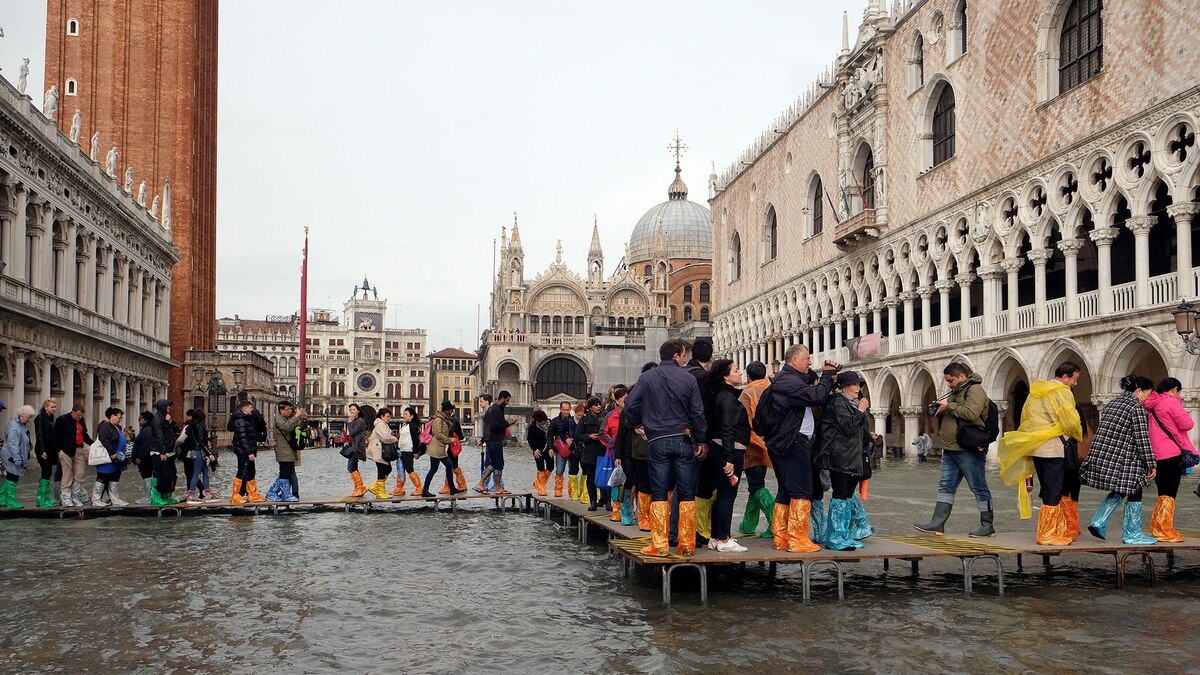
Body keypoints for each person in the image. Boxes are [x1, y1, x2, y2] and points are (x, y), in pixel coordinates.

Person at [624, 339, 708, 557]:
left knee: (659, 492)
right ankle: (686, 543)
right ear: (676, 356)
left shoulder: (647, 377)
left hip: (657, 440)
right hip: (683, 439)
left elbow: (630, 405)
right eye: (683, 355)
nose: (684, 359)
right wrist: (700, 440)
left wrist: (639, 424)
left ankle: (660, 544)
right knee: (687, 492)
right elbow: (698, 412)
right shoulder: (688, 378)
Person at [996, 362, 1083, 546]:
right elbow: (1071, 421)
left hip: (1037, 447)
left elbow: (1026, 418)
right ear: (1065, 377)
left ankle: (1054, 528)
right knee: (1055, 489)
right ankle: (1047, 534)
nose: (1075, 384)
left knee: (1047, 487)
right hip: (1053, 448)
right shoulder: (1063, 392)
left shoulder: (1036, 392)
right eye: (1074, 379)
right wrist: (1077, 435)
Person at [761, 344, 836, 553]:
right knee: (802, 490)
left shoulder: (786, 379)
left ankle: (781, 537)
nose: (810, 362)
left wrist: (828, 379)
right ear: (794, 360)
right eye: (807, 358)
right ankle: (798, 540)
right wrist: (827, 375)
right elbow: (816, 396)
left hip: (785, 442)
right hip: (792, 442)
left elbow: (812, 391)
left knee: (786, 489)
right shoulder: (788, 381)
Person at [915, 362, 995, 538]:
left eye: (950, 380)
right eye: (947, 381)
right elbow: (956, 413)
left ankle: (987, 525)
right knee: (946, 486)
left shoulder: (975, 390)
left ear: (961, 376)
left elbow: (971, 413)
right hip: (950, 449)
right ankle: (937, 523)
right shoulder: (955, 392)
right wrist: (941, 409)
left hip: (968, 449)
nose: (949, 384)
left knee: (978, 487)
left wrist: (948, 407)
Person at [1080, 375, 1158, 544]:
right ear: (1139, 391)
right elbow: (1142, 439)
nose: (1147, 399)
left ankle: (1099, 521)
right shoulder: (1136, 409)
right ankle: (1132, 534)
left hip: (1108, 455)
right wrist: (1151, 463)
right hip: (1126, 458)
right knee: (1135, 490)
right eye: (1147, 394)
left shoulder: (1112, 404)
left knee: (1124, 488)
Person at [816, 371, 875, 551]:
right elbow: (848, 426)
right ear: (843, 387)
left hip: (852, 457)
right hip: (838, 457)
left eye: (859, 385)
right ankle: (835, 538)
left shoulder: (852, 403)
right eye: (854, 384)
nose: (858, 388)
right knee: (840, 495)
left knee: (847, 495)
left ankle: (844, 535)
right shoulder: (837, 402)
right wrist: (860, 411)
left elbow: (858, 431)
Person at [703, 359, 749, 553]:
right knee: (727, 494)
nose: (740, 373)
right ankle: (723, 538)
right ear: (726, 376)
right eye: (736, 370)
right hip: (729, 449)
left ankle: (716, 536)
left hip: (720, 448)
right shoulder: (728, 398)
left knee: (722, 493)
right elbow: (727, 428)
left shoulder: (720, 395)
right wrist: (729, 458)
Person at [1144, 377, 1193, 542]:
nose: (1179, 396)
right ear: (1174, 390)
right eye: (1178, 392)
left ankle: (1157, 527)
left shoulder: (1151, 404)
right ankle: (1165, 531)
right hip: (1171, 453)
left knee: (1162, 492)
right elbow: (1188, 424)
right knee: (1170, 493)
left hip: (1155, 454)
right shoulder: (1171, 403)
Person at [737, 361, 775, 539]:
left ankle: (776, 521)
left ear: (748, 376)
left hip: (753, 444)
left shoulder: (747, 393)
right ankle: (748, 524)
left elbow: (742, 421)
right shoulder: (771, 388)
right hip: (770, 442)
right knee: (757, 483)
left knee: (756, 485)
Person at [683, 340, 714, 545]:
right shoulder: (703, 377)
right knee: (700, 484)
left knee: (682, 484)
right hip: (697, 437)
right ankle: (697, 530)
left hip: (677, 434)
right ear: (710, 356)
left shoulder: (682, 373)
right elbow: (702, 410)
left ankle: (680, 530)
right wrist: (702, 439)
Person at [53, 403, 93, 507]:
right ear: (73, 411)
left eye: (81, 416)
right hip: (65, 450)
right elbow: (55, 436)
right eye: (78, 415)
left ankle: (75, 496)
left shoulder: (81, 420)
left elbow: (84, 434)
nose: (79, 417)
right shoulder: (62, 420)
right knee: (67, 473)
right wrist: (58, 450)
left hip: (78, 448)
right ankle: (66, 497)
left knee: (80, 473)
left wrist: (93, 444)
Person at [422, 401, 464, 497]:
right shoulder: (438, 420)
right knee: (433, 469)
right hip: (436, 449)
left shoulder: (444, 419)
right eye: (451, 410)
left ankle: (452, 489)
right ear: (447, 411)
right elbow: (438, 434)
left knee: (449, 466)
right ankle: (425, 491)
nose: (452, 412)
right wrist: (450, 440)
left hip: (441, 449)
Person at [228, 399, 266, 504]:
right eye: (250, 407)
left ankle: (252, 493)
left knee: (251, 471)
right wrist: (249, 452)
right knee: (241, 471)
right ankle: (236, 495)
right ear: (244, 408)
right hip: (243, 451)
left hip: (249, 450)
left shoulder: (248, 419)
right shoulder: (240, 421)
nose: (252, 409)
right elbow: (243, 438)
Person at [477, 391, 514, 495]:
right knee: (497, 463)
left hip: (491, 440)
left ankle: (495, 486)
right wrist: (508, 423)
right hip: (495, 440)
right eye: (507, 400)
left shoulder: (493, 409)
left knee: (495, 464)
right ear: (502, 399)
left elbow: (488, 427)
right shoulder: (496, 409)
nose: (507, 403)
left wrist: (483, 439)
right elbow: (495, 426)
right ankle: (486, 484)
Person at [601, 388, 630, 522]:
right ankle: (616, 510)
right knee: (617, 483)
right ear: (617, 401)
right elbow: (602, 433)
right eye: (624, 399)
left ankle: (628, 511)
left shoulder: (632, 414)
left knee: (629, 483)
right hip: (614, 453)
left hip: (629, 452)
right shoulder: (610, 416)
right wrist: (613, 441)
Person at [267, 401, 304, 503]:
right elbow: (286, 427)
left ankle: (278, 492)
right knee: (284, 472)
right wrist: (296, 416)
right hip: (283, 449)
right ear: (281, 410)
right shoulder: (279, 419)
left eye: (291, 409)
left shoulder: (287, 418)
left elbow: (297, 425)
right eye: (288, 409)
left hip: (288, 449)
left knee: (287, 472)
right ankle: (281, 493)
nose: (290, 411)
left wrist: (301, 416)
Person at [93, 407, 130, 506]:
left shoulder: (117, 427)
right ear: (112, 416)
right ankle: (96, 499)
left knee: (115, 477)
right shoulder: (105, 426)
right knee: (102, 477)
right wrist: (112, 453)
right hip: (108, 457)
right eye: (119, 417)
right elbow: (104, 440)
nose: (120, 419)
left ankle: (115, 499)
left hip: (117, 458)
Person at [0, 405, 34, 509]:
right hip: (10, 456)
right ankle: (11, 501)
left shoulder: (20, 425)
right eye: (28, 417)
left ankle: (2, 498)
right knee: (13, 477)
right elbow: (13, 444)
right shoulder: (14, 427)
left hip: (12, 455)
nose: (29, 420)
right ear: (22, 415)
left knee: (11, 477)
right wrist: (17, 459)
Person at [576, 397, 606, 510]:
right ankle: (593, 501)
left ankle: (606, 500)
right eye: (596, 405)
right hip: (590, 452)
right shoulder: (584, 419)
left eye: (599, 404)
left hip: (603, 450)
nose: (598, 407)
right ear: (590, 407)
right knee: (591, 478)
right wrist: (589, 436)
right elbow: (578, 435)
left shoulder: (605, 417)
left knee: (605, 476)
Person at [149, 400, 180, 505]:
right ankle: (156, 496)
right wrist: (162, 452)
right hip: (159, 452)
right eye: (168, 406)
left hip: (169, 451)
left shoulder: (166, 418)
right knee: (160, 475)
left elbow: (176, 430)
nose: (169, 408)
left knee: (172, 474)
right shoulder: (157, 419)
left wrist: (170, 422)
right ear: (163, 407)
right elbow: (159, 436)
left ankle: (168, 495)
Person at [184, 410, 218, 504]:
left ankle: (207, 493)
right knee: (196, 473)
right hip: (199, 452)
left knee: (205, 472)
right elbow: (201, 442)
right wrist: (209, 453)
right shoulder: (199, 427)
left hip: (195, 452)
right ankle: (191, 495)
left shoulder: (190, 427)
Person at [365, 407, 398, 499]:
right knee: (382, 469)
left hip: (379, 449)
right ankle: (380, 492)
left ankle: (375, 487)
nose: (389, 418)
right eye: (387, 416)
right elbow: (386, 438)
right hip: (379, 450)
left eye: (390, 416)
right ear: (382, 416)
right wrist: (395, 439)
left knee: (387, 468)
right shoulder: (380, 425)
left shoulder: (382, 424)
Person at [33, 399, 60, 507]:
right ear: (45, 407)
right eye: (52, 407)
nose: (54, 409)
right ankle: (42, 500)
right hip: (43, 449)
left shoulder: (50, 418)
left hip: (50, 449)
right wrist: (43, 450)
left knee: (48, 472)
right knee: (46, 471)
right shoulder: (40, 418)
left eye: (55, 407)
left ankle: (45, 498)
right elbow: (39, 434)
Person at [392, 406, 424, 497]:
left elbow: (415, 439)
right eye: (404, 414)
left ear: (412, 416)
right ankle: (399, 488)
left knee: (409, 469)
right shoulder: (404, 425)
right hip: (402, 450)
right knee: (400, 468)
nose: (404, 416)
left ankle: (419, 487)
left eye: (406, 414)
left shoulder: (413, 426)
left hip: (408, 450)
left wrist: (415, 451)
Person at [548, 401, 578, 498]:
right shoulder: (555, 421)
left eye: (567, 410)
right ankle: (558, 490)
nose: (566, 412)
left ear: (570, 409)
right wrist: (550, 448)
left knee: (573, 470)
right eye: (564, 410)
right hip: (559, 448)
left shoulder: (574, 420)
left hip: (572, 448)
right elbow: (550, 435)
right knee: (560, 470)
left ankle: (571, 490)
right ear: (560, 409)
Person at [343, 403, 368, 499]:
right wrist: (351, 422)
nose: (352, 411)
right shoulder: (355, 420)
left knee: (350, 467)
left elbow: (352, 432)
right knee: (354, 467)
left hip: (357, 447)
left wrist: (349, 422)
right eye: (350, 410)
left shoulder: (360, 421)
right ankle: (358, 488)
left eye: (353, 410)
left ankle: (360, 487)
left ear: (358, 411)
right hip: (354, 446)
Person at [132, 411, 155, 504]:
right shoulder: (146, 430)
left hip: (146, 460)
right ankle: (148, 496)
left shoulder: (147, 430)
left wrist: (139, 457)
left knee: (146, 476)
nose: (138, 421)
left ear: (145, 420)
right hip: (147, 459)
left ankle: (148, 497)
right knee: (146, 476)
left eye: (140, 419)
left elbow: (146, 445)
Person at [528, 409, 552, 497]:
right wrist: (534, 449)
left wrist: (551, 447)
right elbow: (530, 439)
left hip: (548, 448)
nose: (541, 423)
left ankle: (538, 483)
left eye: (542, 421)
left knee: (551, 466)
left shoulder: (550, 423)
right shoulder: (533, 426)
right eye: (539, 421)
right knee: (540, 467)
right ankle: (541, 488)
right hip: (538, 450)